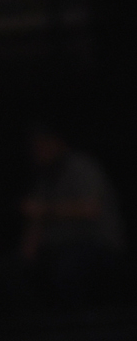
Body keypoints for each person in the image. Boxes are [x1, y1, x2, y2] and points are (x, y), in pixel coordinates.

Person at [19, 124, 124, 300]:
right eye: (35, 148)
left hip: (96, 242)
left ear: (57, 143)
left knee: (66, 267)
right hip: (59, 248)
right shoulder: (45, 179)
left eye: (43, 145)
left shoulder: (81, 166)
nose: (38, 152)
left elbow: (91, 209)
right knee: (22, 273)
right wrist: (24, 256)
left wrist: (46, 209)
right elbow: (35, 223)